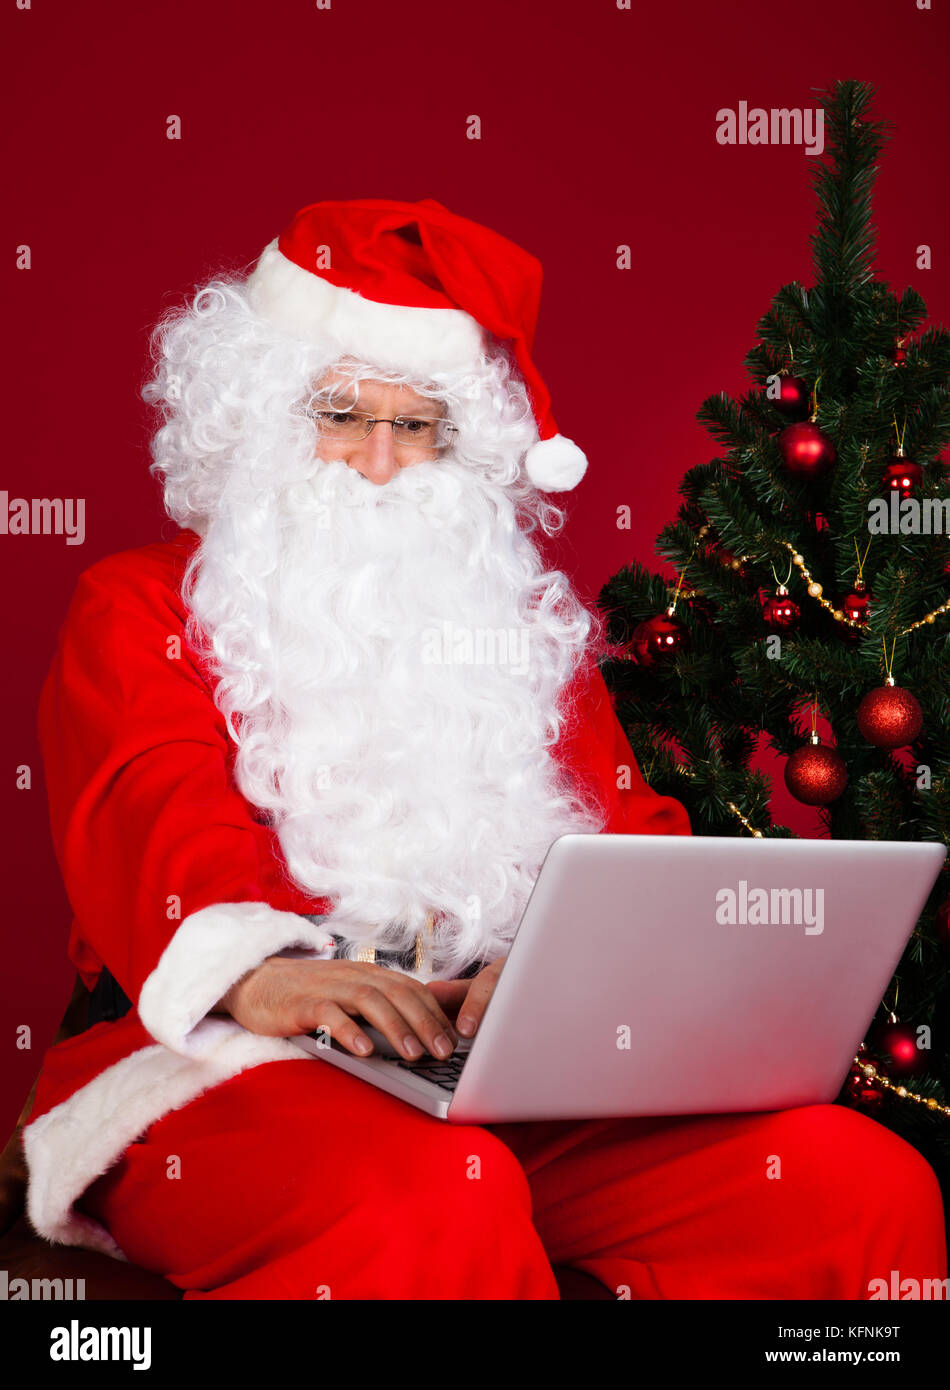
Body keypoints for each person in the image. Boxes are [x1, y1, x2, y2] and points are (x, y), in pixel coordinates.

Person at [21, 198, 946, 1300]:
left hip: (495, 1077)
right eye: (337, 413)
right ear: (258, 422)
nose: (377, 460)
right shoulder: (134, 607)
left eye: (416, 427)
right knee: (439, 1191)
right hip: (222, 1059)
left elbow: (631, 843)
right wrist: (265, 973)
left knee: (854, 1180)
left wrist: (565, 975)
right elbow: (150, 810)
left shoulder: (513, 631)